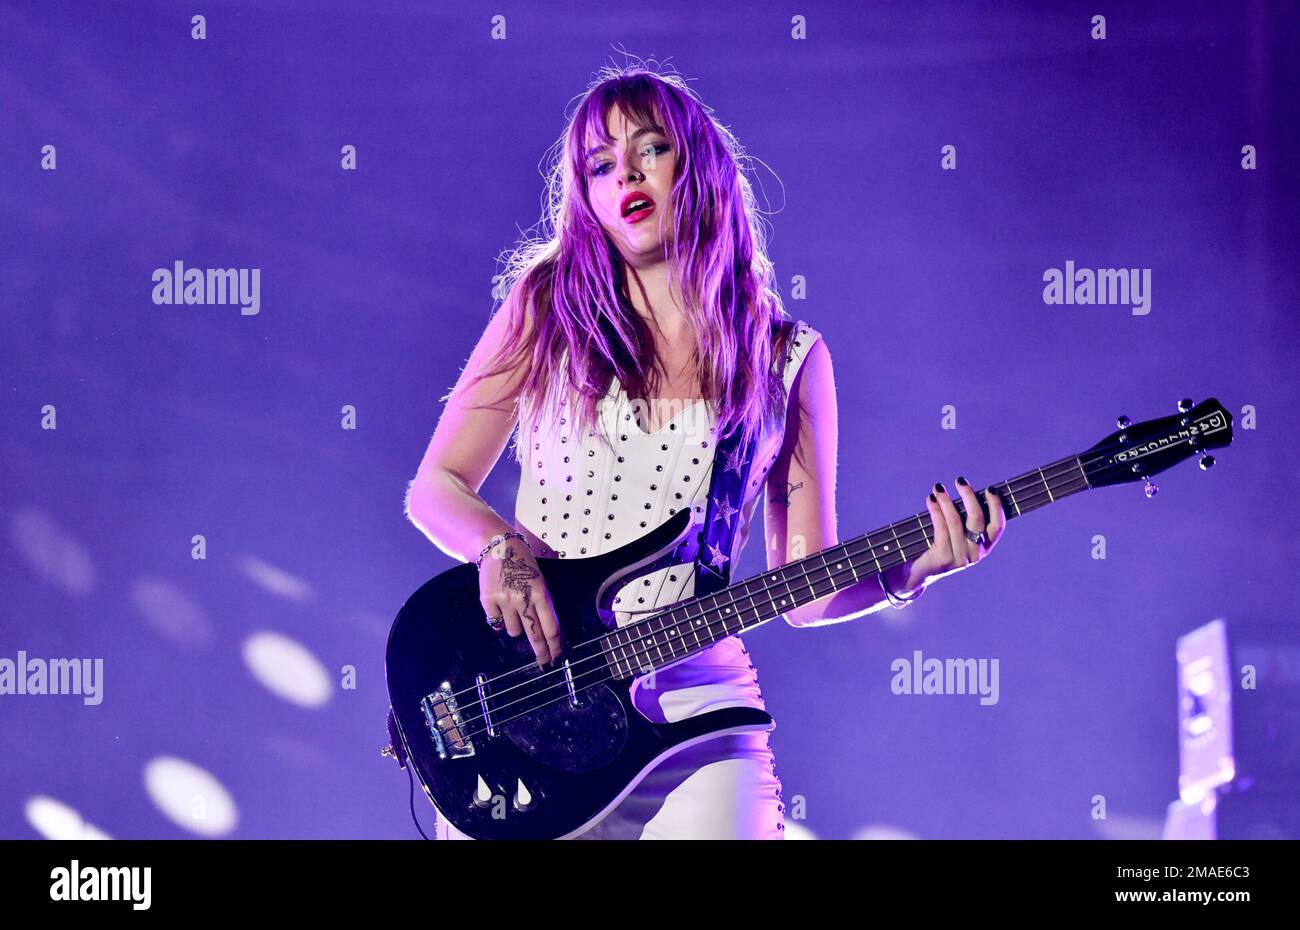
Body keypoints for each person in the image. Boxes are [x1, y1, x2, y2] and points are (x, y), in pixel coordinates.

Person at [404, 63, 1006, 839]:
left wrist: (912, 572)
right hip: (543, 701)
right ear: (586, 196)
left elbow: (805, 589)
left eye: (650, 148)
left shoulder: (787, 357)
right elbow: (436, 485)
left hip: (698, 715)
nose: (626, 172)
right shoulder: (546, 308)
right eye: (599, 163)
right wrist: (500, 550)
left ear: (698, 164)